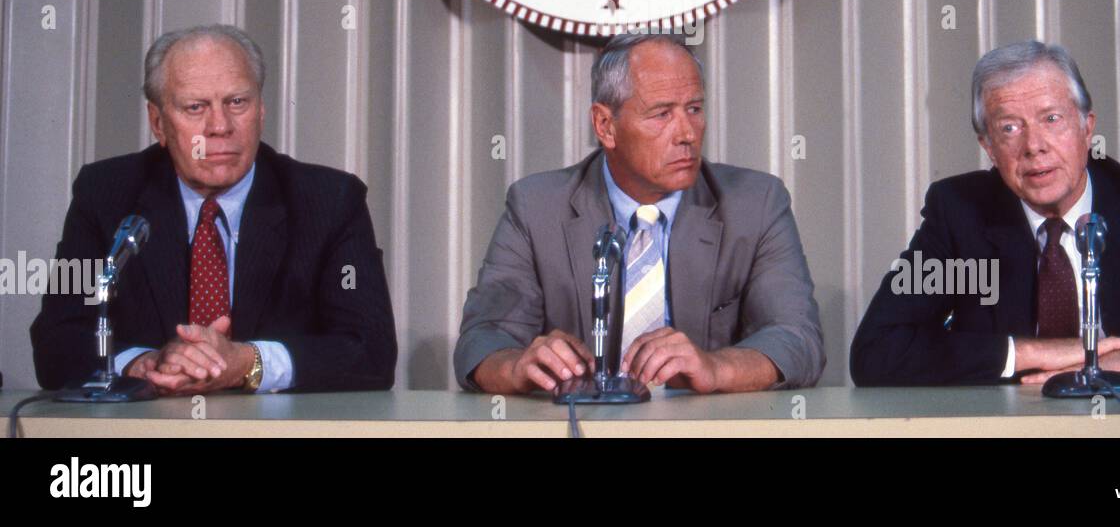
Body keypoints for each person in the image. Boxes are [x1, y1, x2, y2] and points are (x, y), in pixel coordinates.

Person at [850, 40, 1120, 385]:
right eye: (1010, 128)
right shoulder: (960, 214)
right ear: (988, 146)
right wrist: (1036, 354)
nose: (1034, 146)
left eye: (1051, 119)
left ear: (1087, 127)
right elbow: (875, 353)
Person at [31, 25, 398, 393]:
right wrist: (147, 365)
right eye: (196, 107)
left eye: (237, 102)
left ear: (261, 110)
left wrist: (249, 362)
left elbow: (371, 353)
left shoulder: (329, 201)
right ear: (158, 123)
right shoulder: (105, 195)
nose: (220, 126)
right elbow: (56, 341)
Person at [455, 33, 825, 394]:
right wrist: (516, 366)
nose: (687, 134)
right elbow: (482, 339)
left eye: (694, 109)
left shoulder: (755, 204)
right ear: (606, 126)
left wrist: (717, 368)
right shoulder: (536, 208)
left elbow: (798, 338)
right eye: (661, 114)